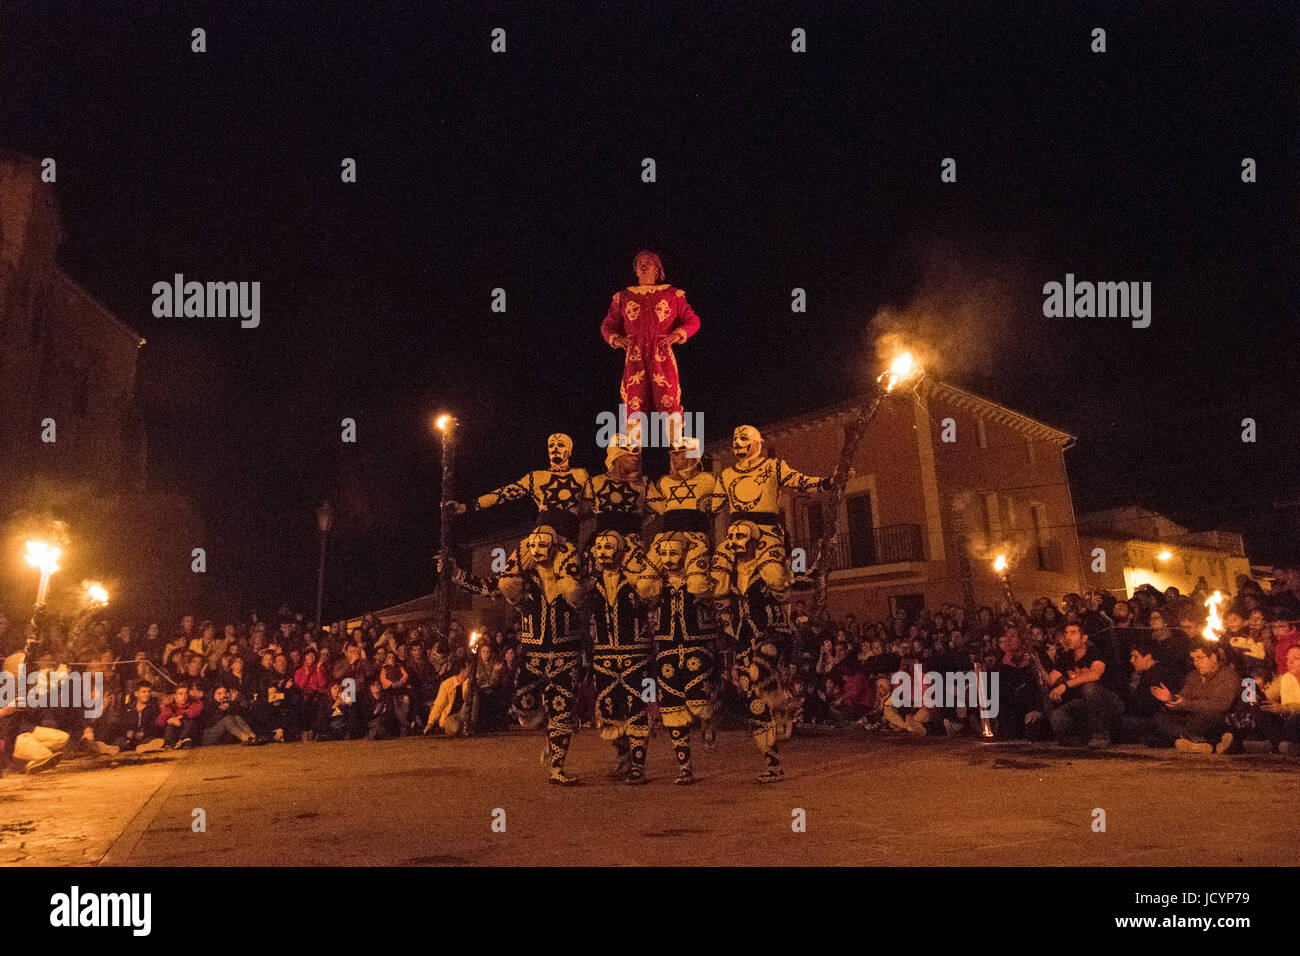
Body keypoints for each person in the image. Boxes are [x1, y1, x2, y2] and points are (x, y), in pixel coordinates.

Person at [443, 433, 591, 604]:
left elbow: (598, 499)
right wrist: (466, 506)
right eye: (551, 445)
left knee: (572, 589)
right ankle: (523, 606)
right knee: (506, 582)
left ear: (569, 451)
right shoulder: (537, 477)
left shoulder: (581, 475)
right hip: (539, 537)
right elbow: (504, 493)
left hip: (565, 540)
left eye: (560, 445)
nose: (555, 449)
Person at [711, 425, 833, 603]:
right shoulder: (726, 474)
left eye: (743, 438)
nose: (737, 442)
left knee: (775, 579)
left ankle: (800, 575)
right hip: (736, 535)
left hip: (766, 531)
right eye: (735, 439)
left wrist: (825, 483)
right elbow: (712, 506)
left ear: (756, 443)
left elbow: (799, 480)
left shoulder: (774, 466)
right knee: (718, 573)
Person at [600, 249, 701, 447]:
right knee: (633, 395)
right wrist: (615, 338)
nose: (644, 265)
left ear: (657, 270)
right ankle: (632, 443)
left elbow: (693, 320)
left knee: (667, 392)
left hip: (660, 351)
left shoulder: (672, 294)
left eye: (649, 262)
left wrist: (678, 333)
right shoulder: (623, 297)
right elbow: (608, 324)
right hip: (635, 352)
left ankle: (676, 440)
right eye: (639, 263)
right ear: (636, 271)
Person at [639, 532, 718, 784]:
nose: (669, 559)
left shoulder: (700, 581)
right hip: (666, 650)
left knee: (699, 696)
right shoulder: (657, 586)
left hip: (697, 647)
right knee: (672, 707)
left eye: (674, 553)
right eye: (664, 554)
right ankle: (684, 765)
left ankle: (707, 720)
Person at [1045, 623, 1124, 748]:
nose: (1067, 637)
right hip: (1084, 704)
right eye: (1066, 633)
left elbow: (1095, 675)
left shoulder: (1095, 651)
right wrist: (1038, 661)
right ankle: (1081, 738)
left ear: (1084, 638)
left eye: (1073, 633)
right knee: (1057, 717)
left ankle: (1101, 735)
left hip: (1109, 701)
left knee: (1089, 688)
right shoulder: (1066, 656)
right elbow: (1049, 680)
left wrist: (1065, 685)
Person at [1151, 644, 1239, 754]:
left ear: (1213, 657)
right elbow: (1183, 698)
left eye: (1200, 658)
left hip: (1215, 719)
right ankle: (1202, 741)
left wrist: (1186, 704)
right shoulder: (1194, 675)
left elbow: (1220, 706)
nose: (1196, 663)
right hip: (1193, 718)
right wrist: (1171, 698)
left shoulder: (1228, 675)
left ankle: (1193, 740)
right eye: (1194, 659)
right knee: (1159, 717)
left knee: (1209, 717)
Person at [1114, 638, 1179, 744]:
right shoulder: (1146, 673)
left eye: (1135, 657)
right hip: (1149, 718)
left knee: (1118, 722)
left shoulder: (1156, 674)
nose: (1131, 660)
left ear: (1148, 657)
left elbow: (1147, 706)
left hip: (1155, 719)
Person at [425, 656, 473, 736]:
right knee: (454, 728)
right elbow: (439, 705)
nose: (471, 671)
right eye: (469, 668)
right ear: (462, 670)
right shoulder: (447, 684)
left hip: (464, 714)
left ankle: (469, 727)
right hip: (450, 716)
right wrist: (430, 723)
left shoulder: (469, 683)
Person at [158, 684, 202, 749]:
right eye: (180, 694)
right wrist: (169, 719)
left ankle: (184, 739)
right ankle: (169, 741)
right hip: (175, 729)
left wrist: (181, 717)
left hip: (188, 730)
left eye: (186, 694)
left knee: (190, 721)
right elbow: (162, 719)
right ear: (175, 696)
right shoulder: (170, 705)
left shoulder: (193, 703)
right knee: (171, 726)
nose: (183, 696)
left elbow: (196, 710)